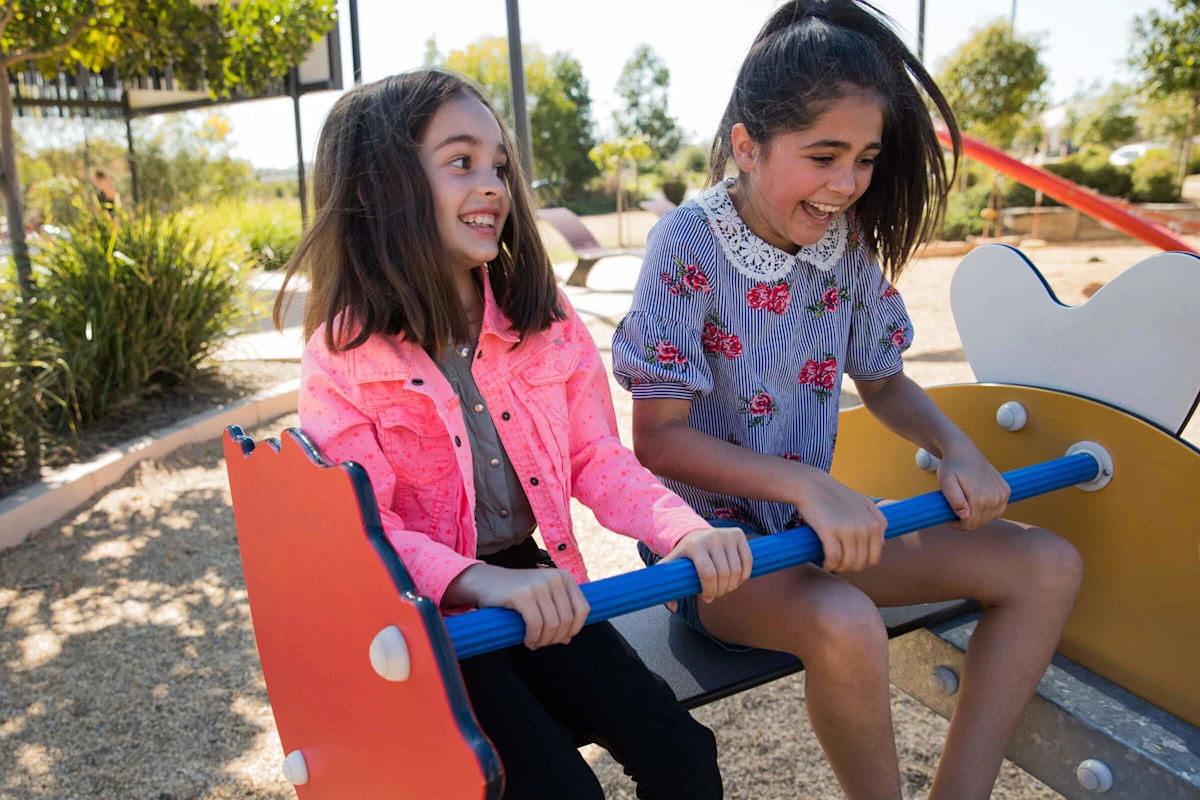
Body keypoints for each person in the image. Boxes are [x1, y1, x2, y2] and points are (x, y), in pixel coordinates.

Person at [611, 3, 1084, 798]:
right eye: (824, 155)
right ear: (746, 146)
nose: (847, 182)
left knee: (1047, 564)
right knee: (847, 622)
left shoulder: (846, 241)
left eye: (864, 158)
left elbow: (885, 378)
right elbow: (658, 439)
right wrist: (808, 485)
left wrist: (956, 448)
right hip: (714, 555)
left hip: (818, 531)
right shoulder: (686, 243)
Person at [275, 70, 747, 799]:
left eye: (498, 165)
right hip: (434, 621)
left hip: (530, 580)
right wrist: (483, 583)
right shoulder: (343, 359)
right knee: (556, 788)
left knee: (681, 752)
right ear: (373, 190)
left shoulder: (540, 314)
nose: (492, 185)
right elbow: (369, 531)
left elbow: (593, 455)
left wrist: (681, 529)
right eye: (461, 162)